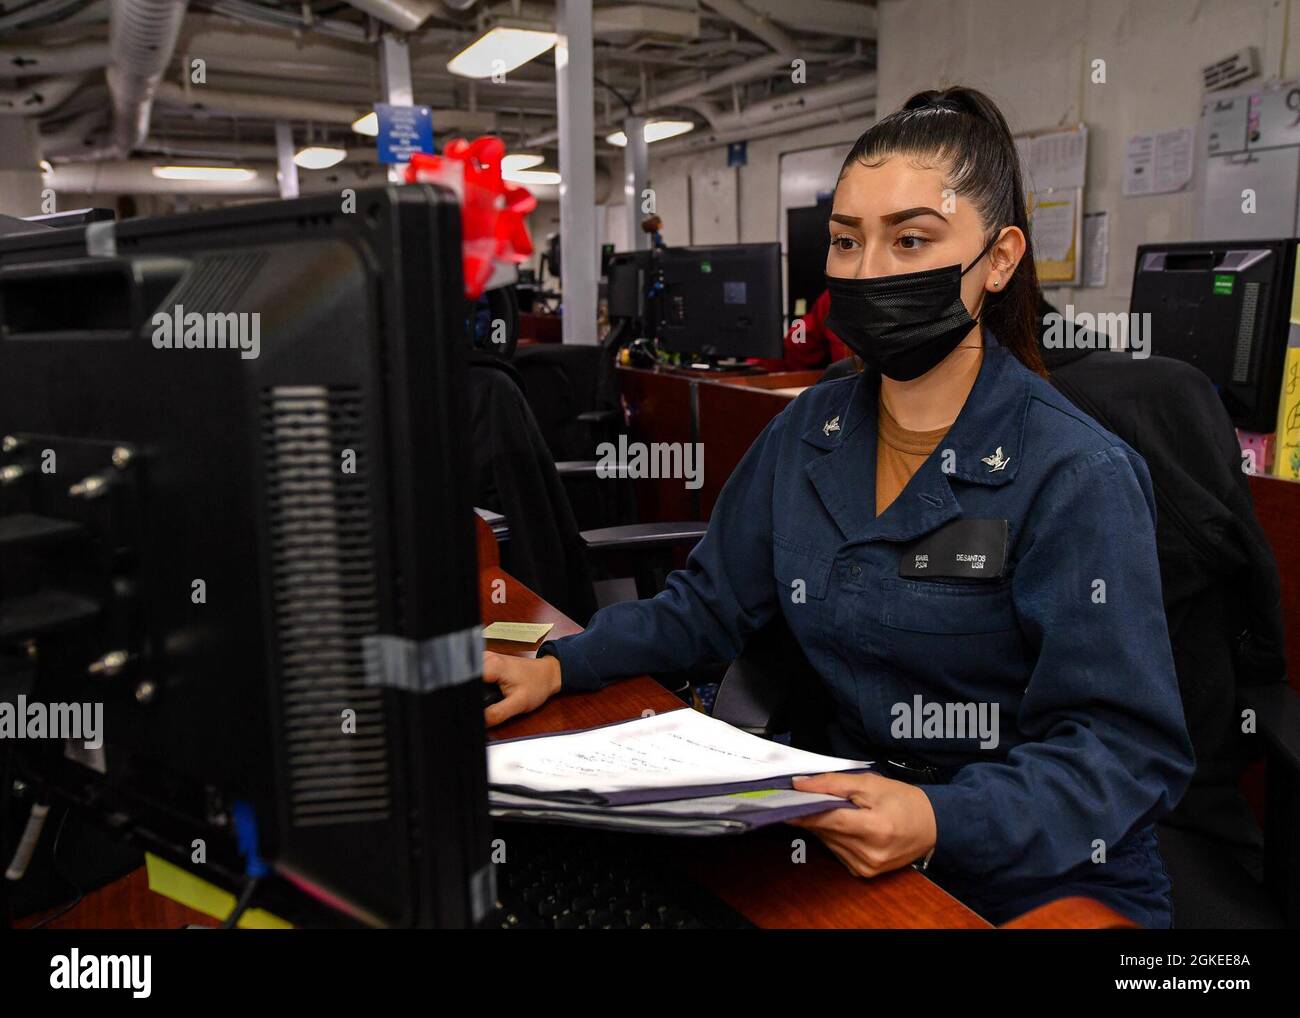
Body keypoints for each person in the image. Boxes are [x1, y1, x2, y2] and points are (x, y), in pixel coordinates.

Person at [483, 86, 1194, 928]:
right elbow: (706, 607)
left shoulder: (1075, 473)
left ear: (998, 260)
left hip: (1039, 867)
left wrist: (938, 818)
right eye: (848, 242)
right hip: (837, 821)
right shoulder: (810, 429)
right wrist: (560, 665)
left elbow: (1122, 752)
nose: (869, 272)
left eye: (912, 240)